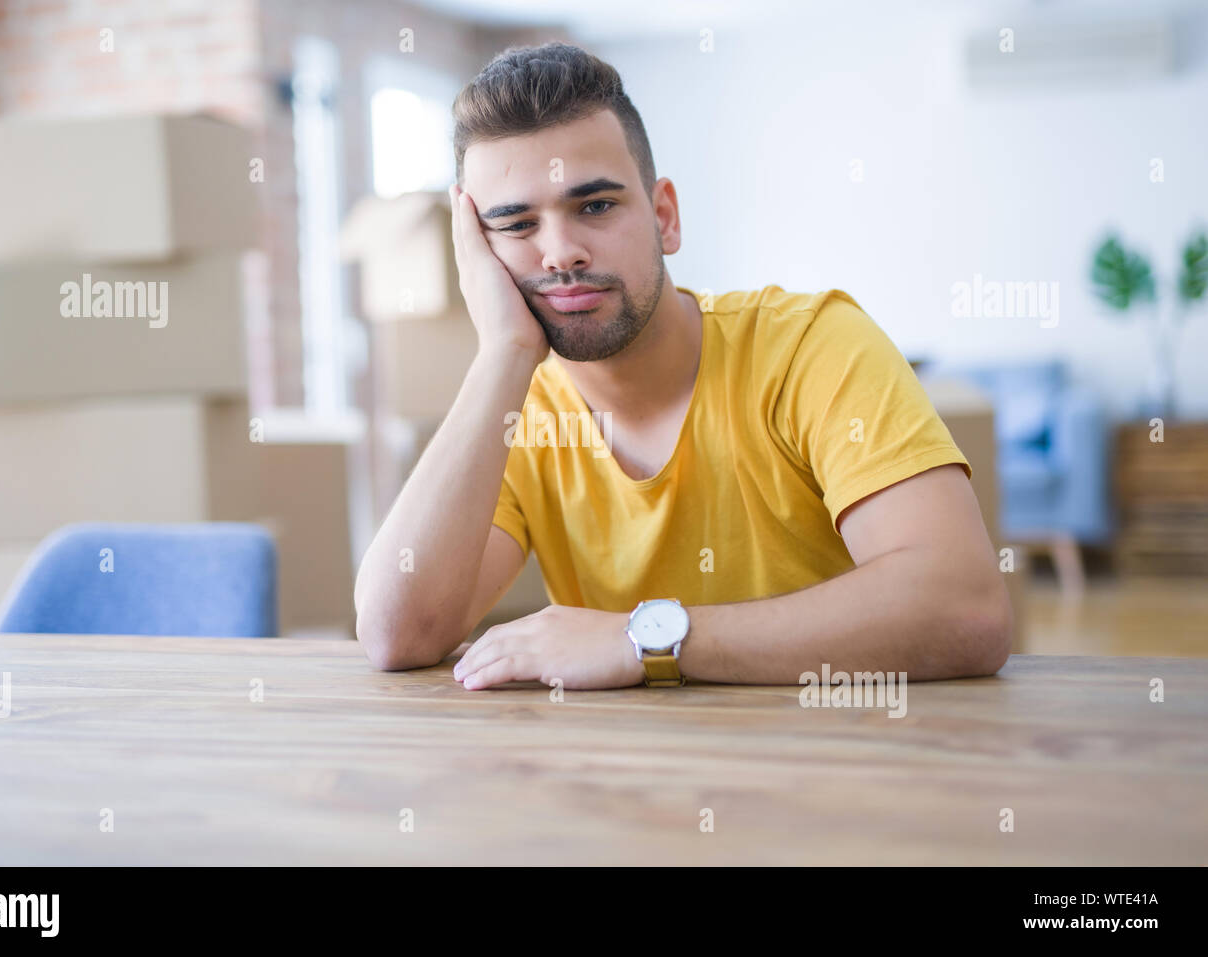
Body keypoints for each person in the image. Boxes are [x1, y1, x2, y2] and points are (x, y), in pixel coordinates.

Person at [354, 42, 1012, 690]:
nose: (560, 253)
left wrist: (643, 637)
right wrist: (503, 352)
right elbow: (398, 633)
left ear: (664, 216)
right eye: (517, 225)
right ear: (477, 252)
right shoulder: (517, 410)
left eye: (595, 206)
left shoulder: (813, 345)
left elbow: (964, 607)